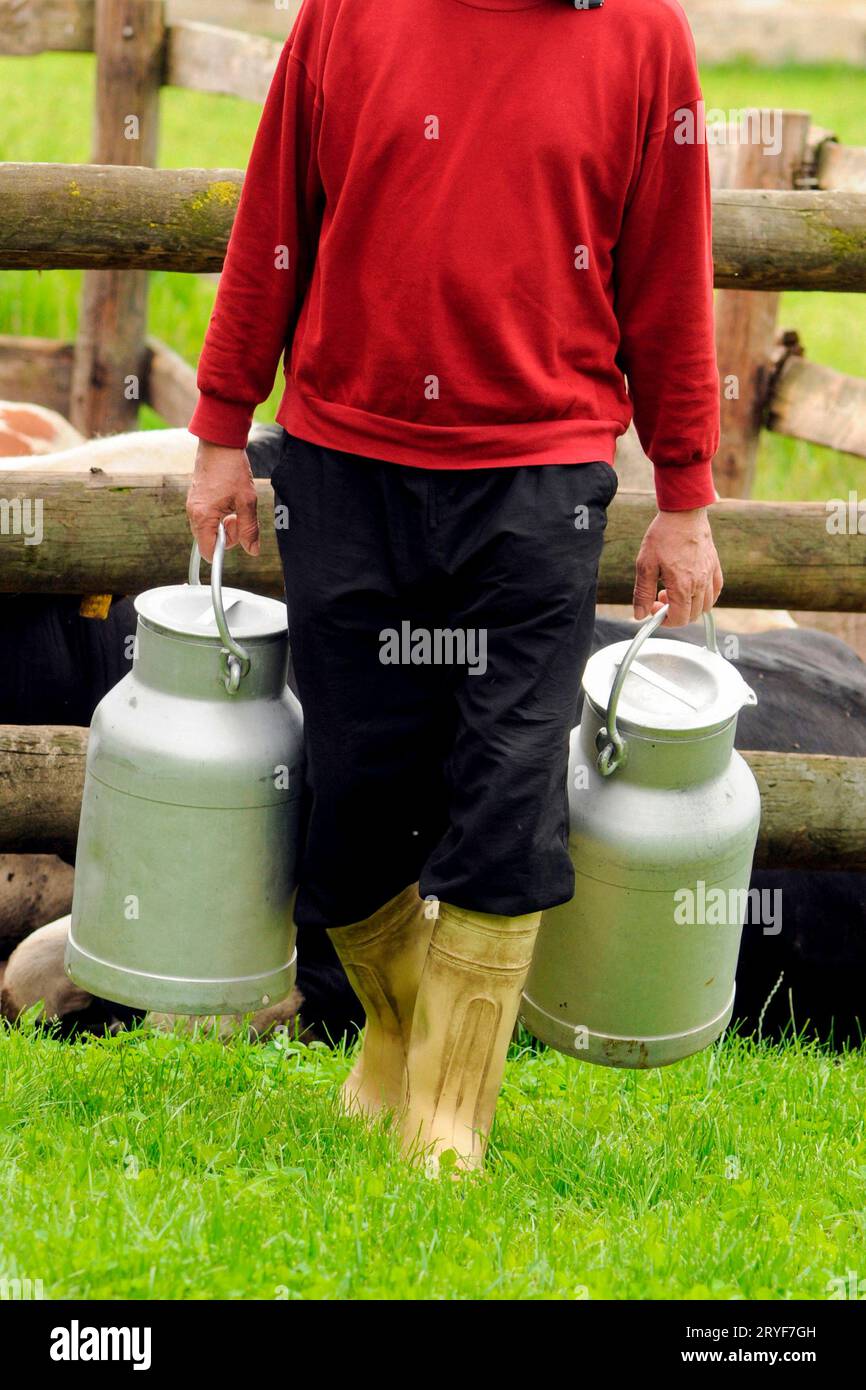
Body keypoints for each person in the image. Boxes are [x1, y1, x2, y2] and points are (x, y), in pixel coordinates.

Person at [186, 0, 723, 1173]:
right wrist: (223, 427)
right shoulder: (343, 13)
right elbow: (273, 219)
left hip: (537, 485)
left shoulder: (642, 35)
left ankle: (449, 1116)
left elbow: (670, 275)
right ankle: (390, 1040)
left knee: (507, 785)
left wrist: (683, 492)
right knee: (355, 789)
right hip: (341, 464)